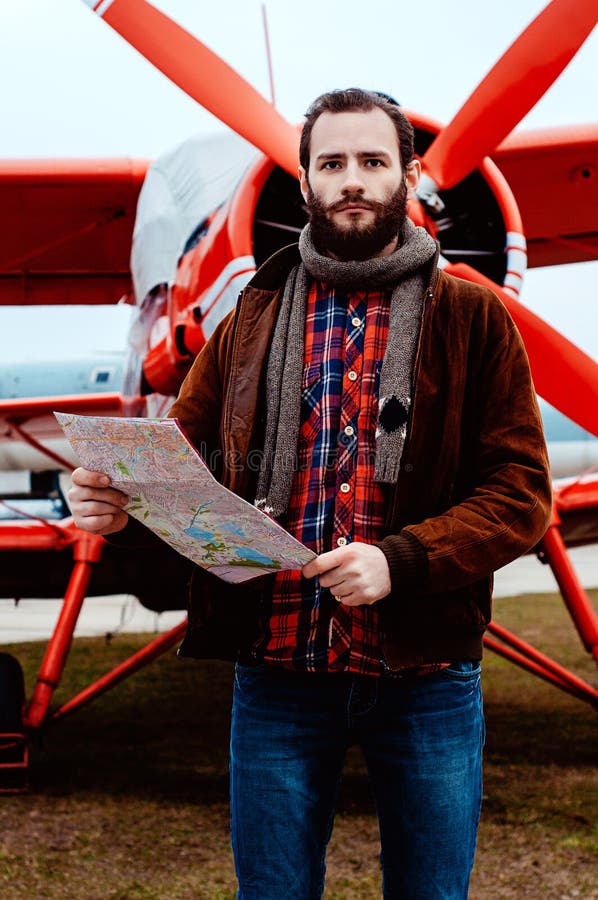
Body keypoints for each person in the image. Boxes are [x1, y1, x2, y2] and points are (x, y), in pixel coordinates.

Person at [69, 88, 552, 899]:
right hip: (277, 674)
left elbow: (520, 490)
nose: (352, 178)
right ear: (305, 183)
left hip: (427, 674)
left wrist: (399, 561)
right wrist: (118, 507)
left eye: (372, 161)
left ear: (408, 178)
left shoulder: (476, 316)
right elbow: (176, 470)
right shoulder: (248, 319)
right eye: (332, 163)